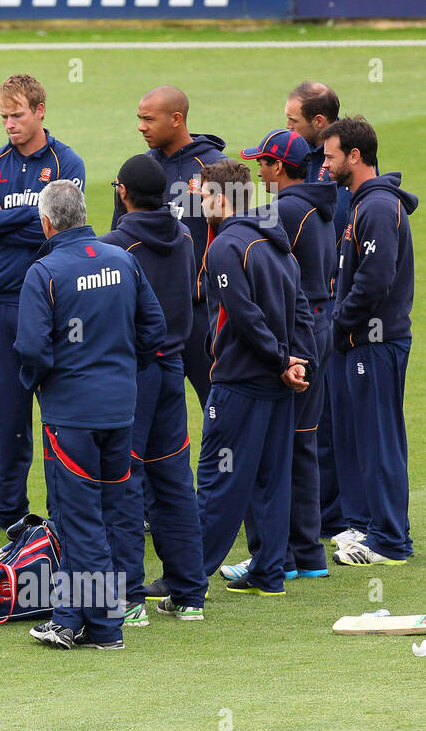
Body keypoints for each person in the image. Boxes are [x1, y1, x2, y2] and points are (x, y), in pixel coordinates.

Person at [17, 181, 164, 650]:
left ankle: (102, 627)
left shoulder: (44, 271)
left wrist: (38, 383)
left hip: (71, 415)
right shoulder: (123, 259)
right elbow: (154, 329)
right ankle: (71, 617)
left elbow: (33, 348)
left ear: (46, 222)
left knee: (77, 518)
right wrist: (121, 369)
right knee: (114, 510)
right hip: (120, 409)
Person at [0, 75, 85, 535]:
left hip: (53, 300)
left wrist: (3, 218)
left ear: (40, 110)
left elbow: (60, 223)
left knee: (60, 404)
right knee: (4, 409)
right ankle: (8, 506)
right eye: (3, 116)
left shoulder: (65, 160)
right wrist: (31, 213)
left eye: (17, 115)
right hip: (0, 300)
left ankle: (63, 506)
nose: (9, 124)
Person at [219, 130, 337, 582]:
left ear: (279, 167)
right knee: (301, 441)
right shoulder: (318, 202)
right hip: (317, 324)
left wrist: (282, 353)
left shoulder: (285, 209)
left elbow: (272, 278)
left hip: (296, 329)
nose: (259, 171)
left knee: (276, 444)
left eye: (264, 164)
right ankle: (307, 554)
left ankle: (277, 556)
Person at [195, 161, 315, 595]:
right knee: (271, 480)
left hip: (240, 383)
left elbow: (244, 316)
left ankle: (188, 578)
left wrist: (283, 360)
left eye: (205, 196)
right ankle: (268, 574)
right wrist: (300, 362)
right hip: (277, 386)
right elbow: (301, 308)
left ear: (223, 199)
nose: (201, 203)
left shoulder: (226, 246)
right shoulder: (275, 241)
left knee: (218, 480)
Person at [99, 155, 207, 624]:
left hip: (134, 373)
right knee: (174, 480)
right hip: (172, 369)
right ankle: (188, 593)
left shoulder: (115, 246)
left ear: (123, 192)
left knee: (125, 480)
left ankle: (128, 597)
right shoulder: (184, 237)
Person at [319, 116, 416, 566]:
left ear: (354, 157)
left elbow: (376, 280)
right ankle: (375, 529)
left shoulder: (376, 207)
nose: (325, 164)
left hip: (375, 341)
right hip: (365, 341)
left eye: (331, 156)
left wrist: (340, 323)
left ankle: (391, 542)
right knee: (368, 439)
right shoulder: (364, 203)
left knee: (380, 441)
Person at [120, 86, 227, 411]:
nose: (141, 126)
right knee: (144, 414)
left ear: (176, 119)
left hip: (200, 316)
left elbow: (238, 239)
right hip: (148, 318)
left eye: (148, 119)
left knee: (218, 407)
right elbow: (120, 237)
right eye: (139, 119)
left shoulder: (217, 169)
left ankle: (222, 463)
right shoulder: (139, 170)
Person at [284, 81, 351, 541]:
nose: (287, 125)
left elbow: (340, 233)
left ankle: (323, 523)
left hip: (319, 311)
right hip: (319, 312)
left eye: (293, 120)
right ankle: (313, 534)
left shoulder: (338, 165)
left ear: (319, 122)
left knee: (313, 428)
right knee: (312, 427)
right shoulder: (313, 163)